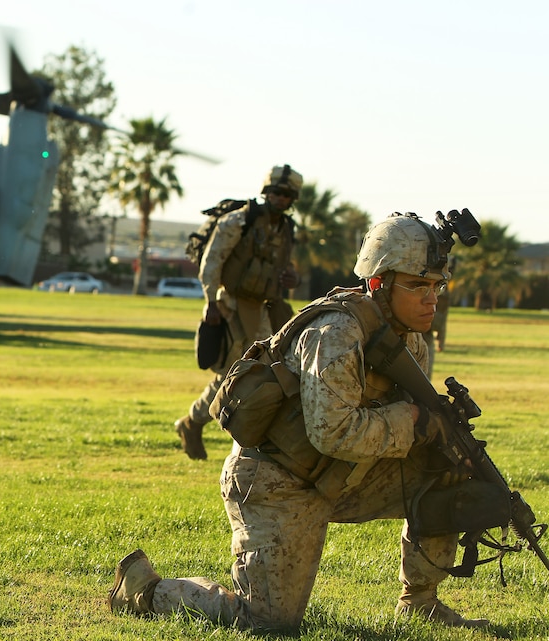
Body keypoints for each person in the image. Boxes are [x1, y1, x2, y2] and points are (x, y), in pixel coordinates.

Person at [109, 212, 490, 631]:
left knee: (448, 467)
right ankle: (144, 590)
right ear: (379, 282)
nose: (431, 297)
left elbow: (391, 429)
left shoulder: (410, 340)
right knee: (269, 621)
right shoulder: (337, 333)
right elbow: (334, 432)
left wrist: (445, 445)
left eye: (437, 285)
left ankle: (420, 603)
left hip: (339, 476)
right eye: (418, 285)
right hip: (276, 483)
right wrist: (414, 420)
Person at [174, 164, 302, 460]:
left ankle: (251, 437)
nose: (281, 199)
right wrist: (211, 302)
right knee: (232, 375)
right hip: (232, 306)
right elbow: (212, 263)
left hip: (266, 310)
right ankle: (193, 421)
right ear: (266, 191)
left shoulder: (285, 229)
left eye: (288, 195)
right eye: (277, 192)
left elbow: (284, 267)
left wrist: (291, 279)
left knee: (274, 373)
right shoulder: (238, 222)